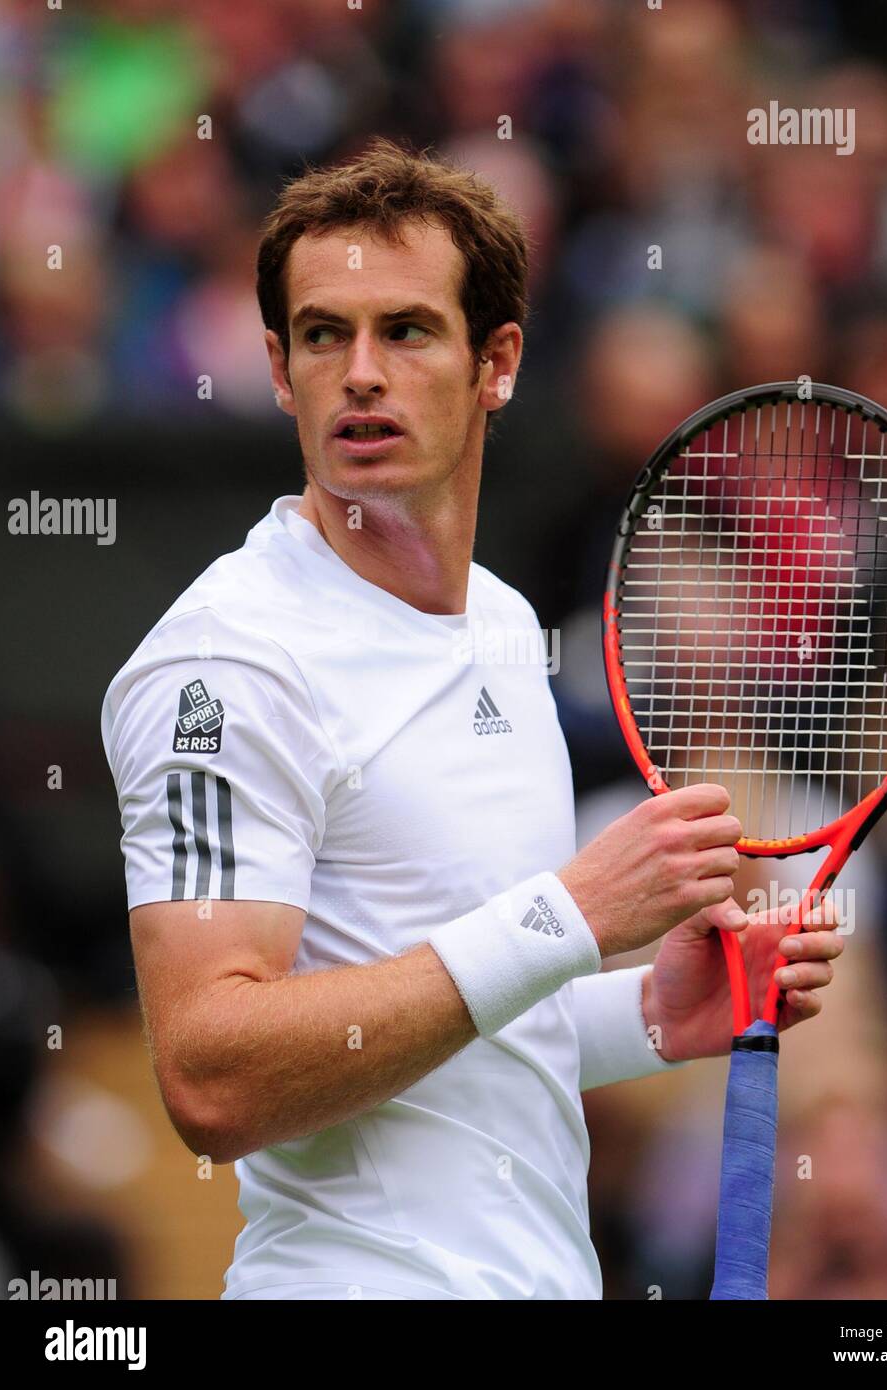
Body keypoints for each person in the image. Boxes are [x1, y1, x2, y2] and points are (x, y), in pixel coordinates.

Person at [101, 138, 843, 1301]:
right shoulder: (225, 662)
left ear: (495, 363)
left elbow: (462, 1026)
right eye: (320, 334)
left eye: (404, 330)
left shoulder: (501, 623)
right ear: (278, 369)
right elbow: (212, 1079)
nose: (358, 372)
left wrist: (645, 1010)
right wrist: (573, 913)